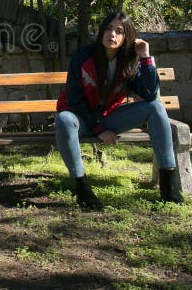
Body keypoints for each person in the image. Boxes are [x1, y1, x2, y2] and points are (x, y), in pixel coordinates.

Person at [55, 11, 183, 209]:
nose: (112, 34)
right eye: (108, 28)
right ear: (101, 32)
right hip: (78, 120)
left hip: (108, 119)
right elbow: (73, 99)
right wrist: (99, 129)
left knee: (155, 107)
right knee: (63, 119)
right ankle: (83, 191)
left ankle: (170, 188)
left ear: (126, 37)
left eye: (119, 31)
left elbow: (149, 94)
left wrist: (145, 58)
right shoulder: (83, 56)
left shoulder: (130, 61)